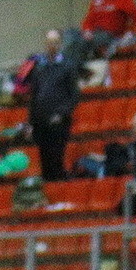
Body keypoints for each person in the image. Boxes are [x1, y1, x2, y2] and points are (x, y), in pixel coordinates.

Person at [27, 31, 80, 183]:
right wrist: (30, 121)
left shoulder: (68, 65)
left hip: (59, 120)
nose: (52, 46)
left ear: (60, 44)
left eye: (55, 42)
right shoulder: (38, 67)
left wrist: (62, 113)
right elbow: (34, 95)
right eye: (49, 42)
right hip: (40, 120)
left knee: (56, 157)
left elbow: (74, 95)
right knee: (44, 160)